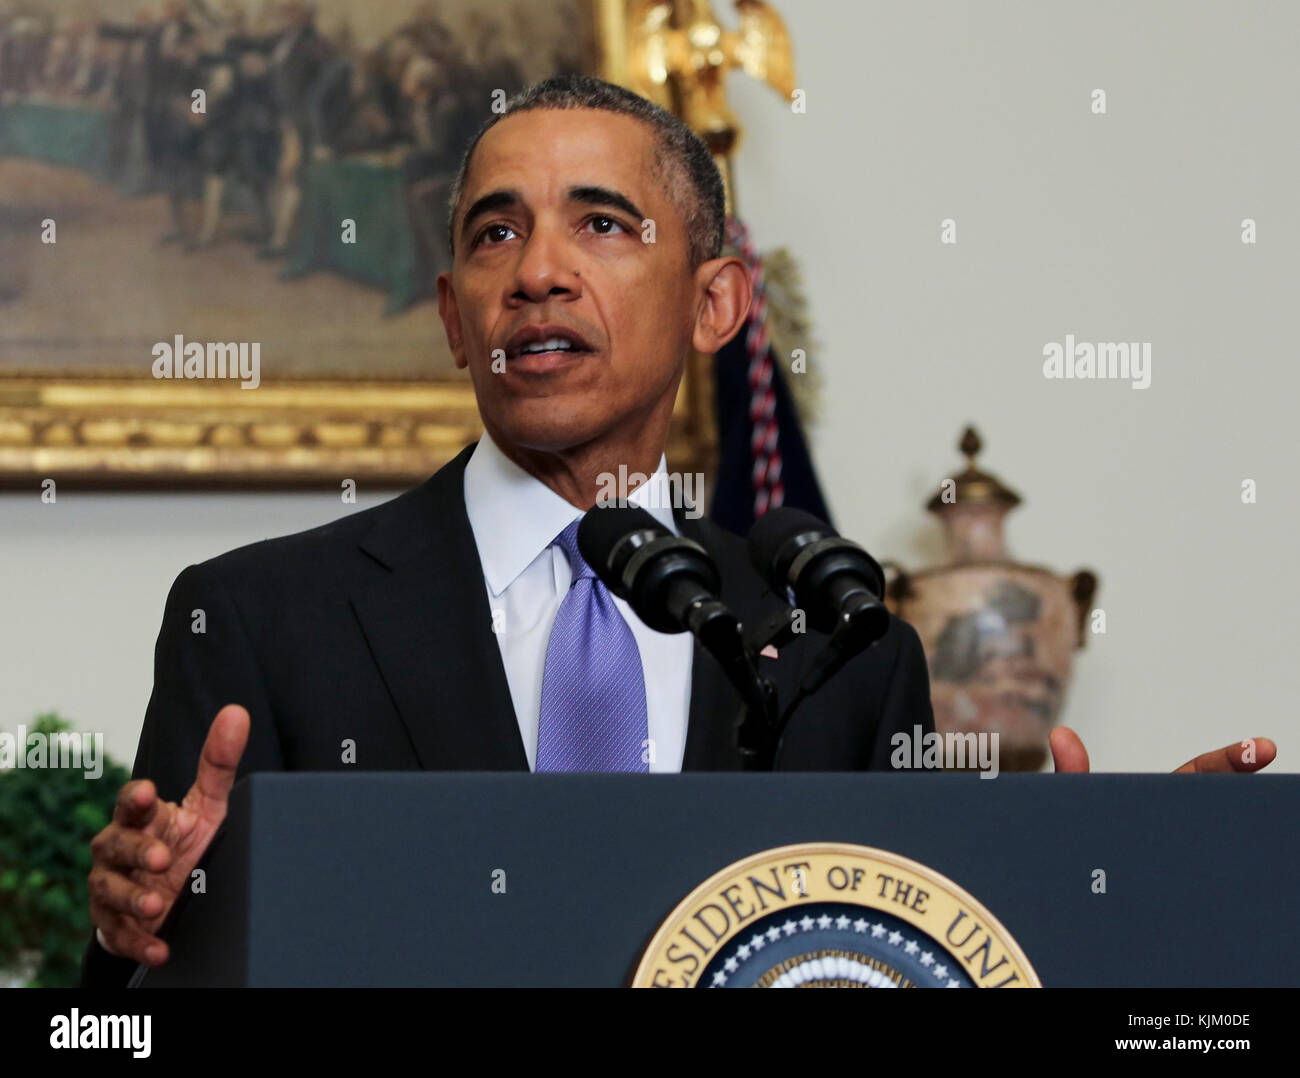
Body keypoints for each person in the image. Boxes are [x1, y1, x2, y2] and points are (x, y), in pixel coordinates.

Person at [81, 75, 1276, 988]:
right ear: (453, 318)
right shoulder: (260, 619)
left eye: (600, 224)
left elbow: (905, 968)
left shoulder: (839, 644)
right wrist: (131, 934)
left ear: (715, 303)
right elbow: (139, 1011)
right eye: (495, 234)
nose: (537, 271)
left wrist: (1105, 892)